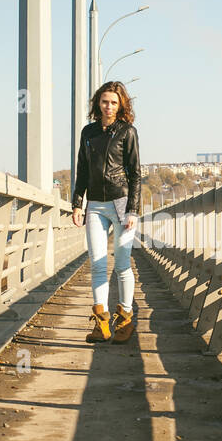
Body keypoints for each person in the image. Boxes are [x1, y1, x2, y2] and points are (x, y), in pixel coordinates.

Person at [71, 81, 142, 344]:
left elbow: (135, 173)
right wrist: (78, 204)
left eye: (113, 102)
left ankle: (124, 320)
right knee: (98, 265)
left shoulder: (128, 132)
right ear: (97, 103)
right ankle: (101, 325)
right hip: (95, 206)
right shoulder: (88, 133)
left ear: (121, 104)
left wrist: (133, 210)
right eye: (104, 101)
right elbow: (82, 171)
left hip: (122, 204)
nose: (108, 106)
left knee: (122, 264)